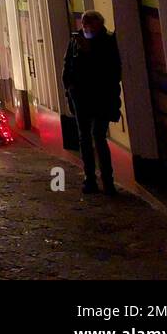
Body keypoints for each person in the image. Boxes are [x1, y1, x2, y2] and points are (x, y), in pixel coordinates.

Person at [62, 10, 123, 195]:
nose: (86, 26)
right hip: (80, 96)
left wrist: (90, 52)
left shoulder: (108, 41)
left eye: (90, 23)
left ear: (99, 24)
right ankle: (89, 178)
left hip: (101, 96)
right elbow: (68, 65)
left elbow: (112, 70)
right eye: (84, 23)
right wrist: (69, 88)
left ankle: (108, 180)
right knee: (85, 138)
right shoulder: (75, 41)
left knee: (98, 136)